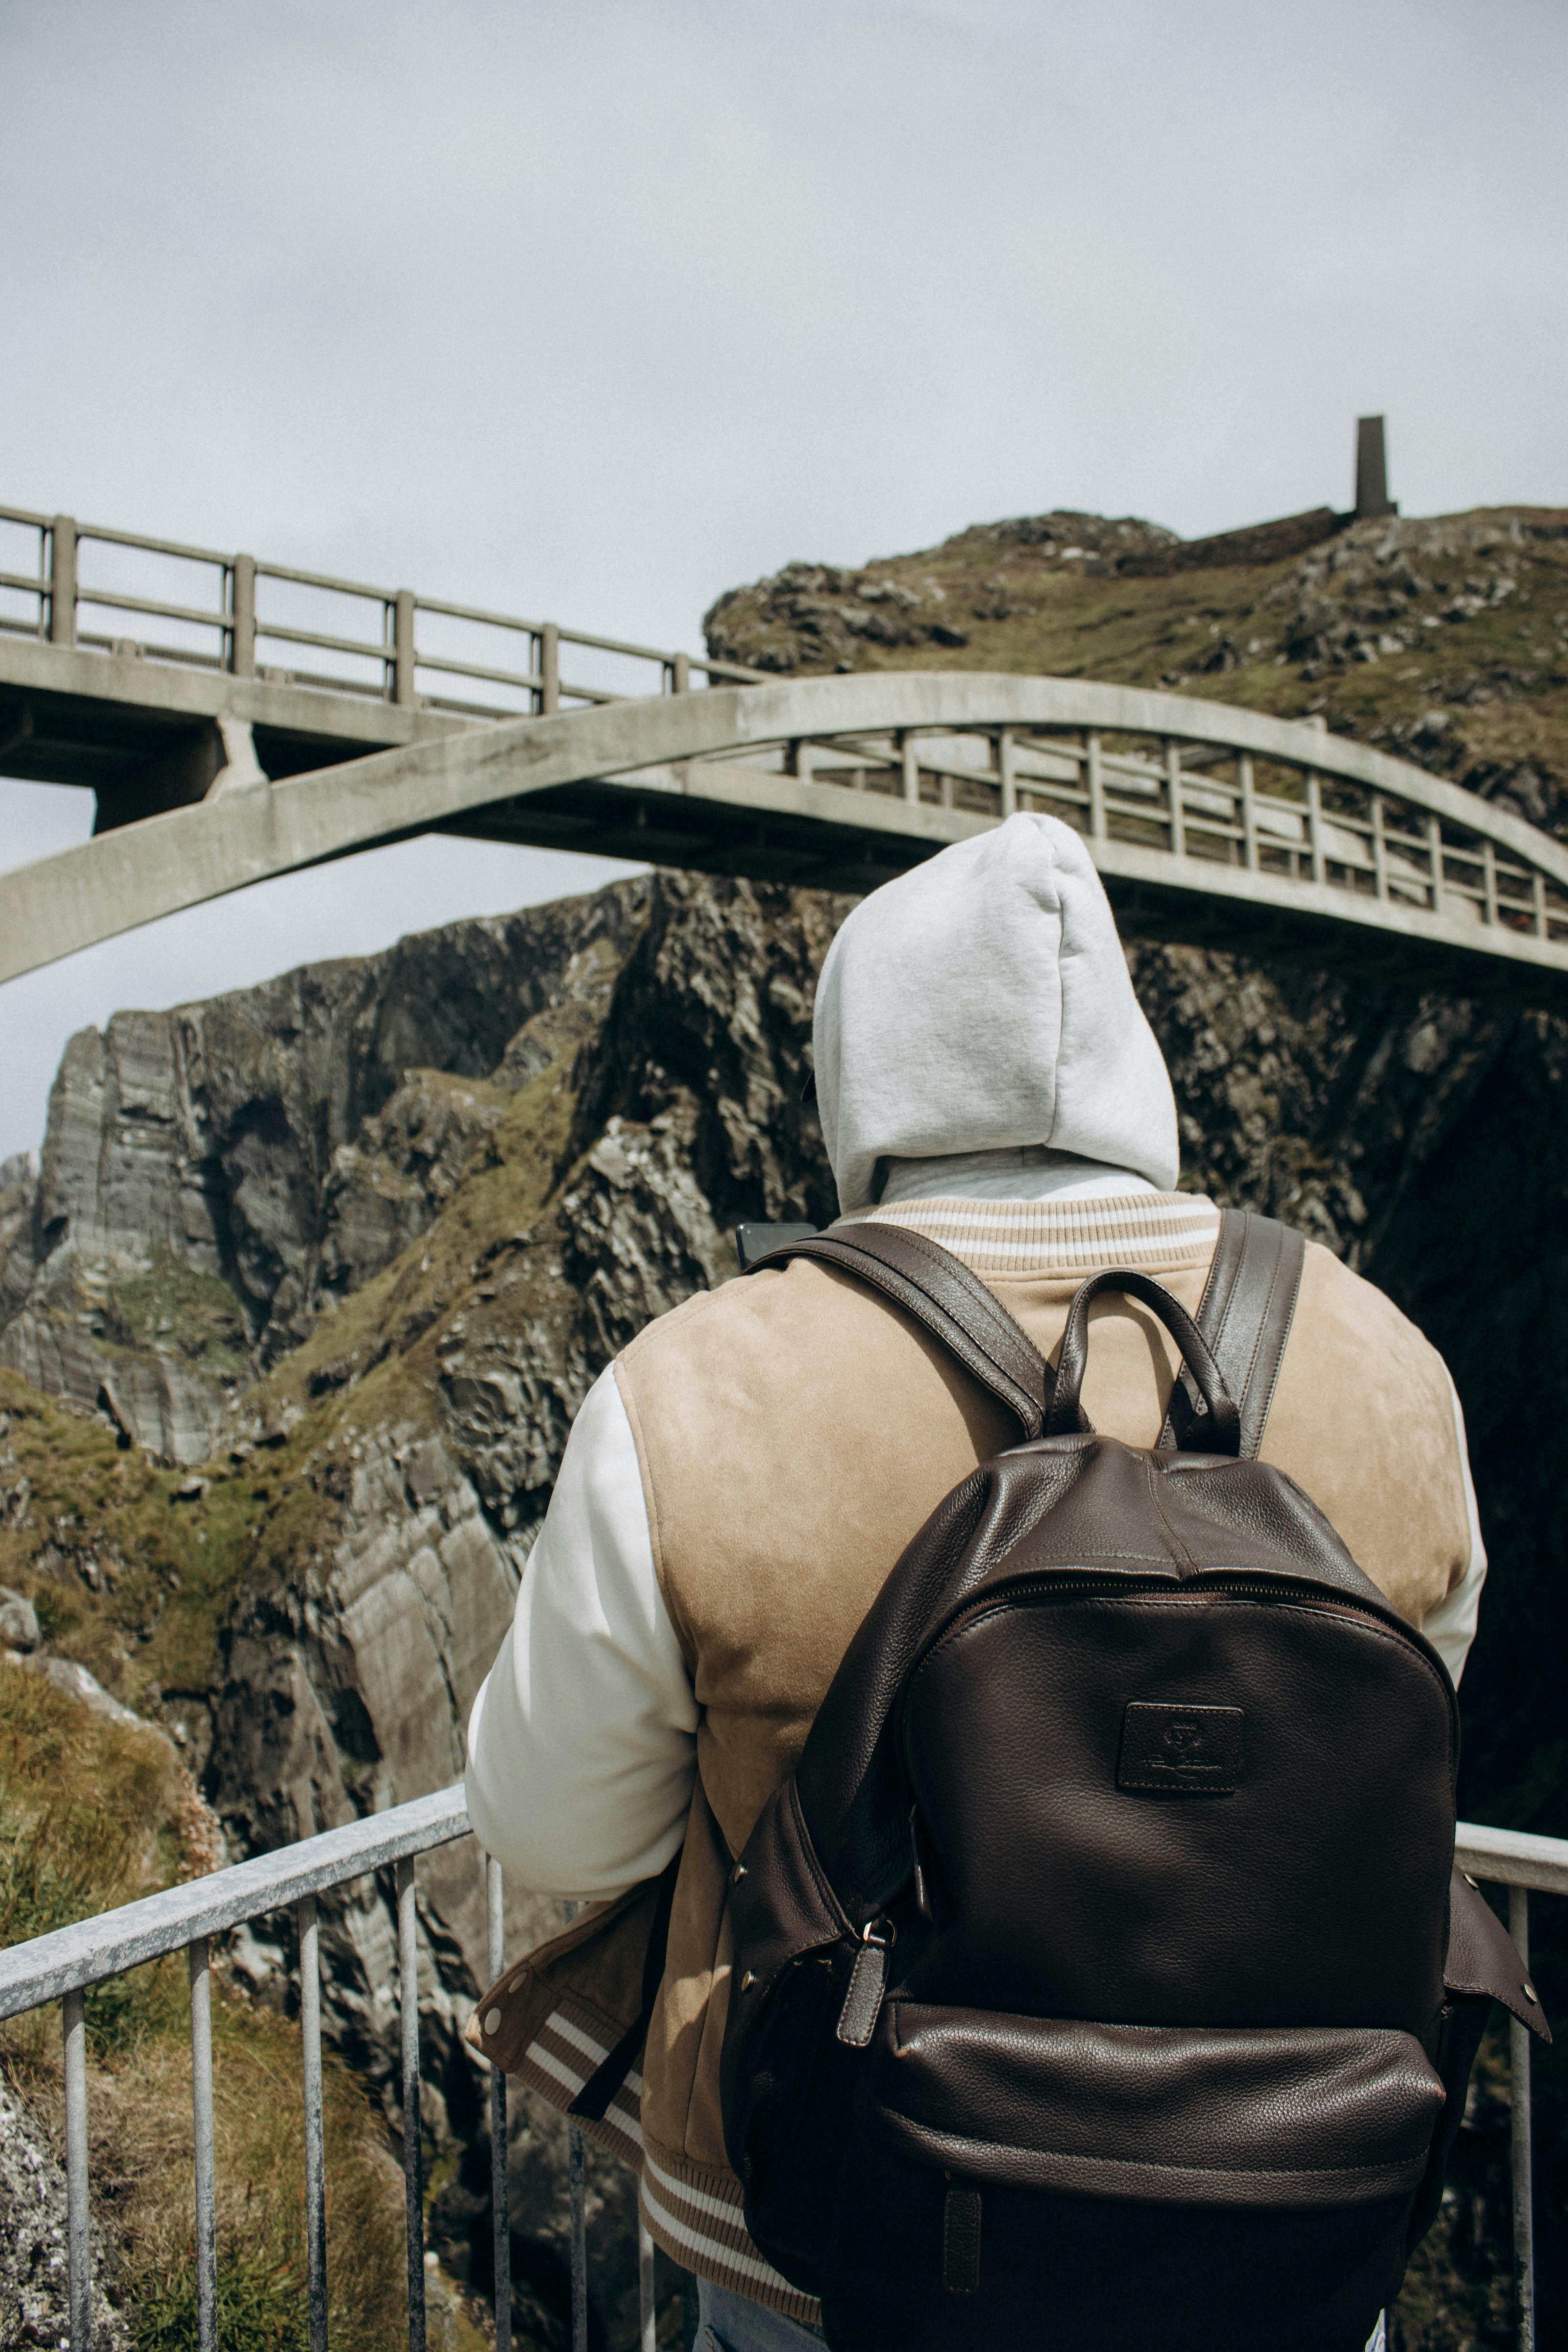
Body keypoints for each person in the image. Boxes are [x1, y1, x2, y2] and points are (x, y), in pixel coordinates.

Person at [466, 813, 1484, 2352]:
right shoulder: (1389, 1365)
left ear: (860, 1067)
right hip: (1290, 2222)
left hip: (831, 2241)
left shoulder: (697, 1388)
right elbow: (1398, 1767)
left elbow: (549, 1825)